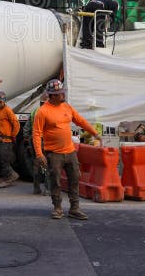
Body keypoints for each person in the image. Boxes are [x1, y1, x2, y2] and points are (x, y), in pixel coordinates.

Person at [33, 79, 101, 220]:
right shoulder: (43, 112)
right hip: (54, 154)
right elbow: (36, 134)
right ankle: (57, 208)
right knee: (56, 181)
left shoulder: (67, 107)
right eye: (59, 94)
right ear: (51, 96)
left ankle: (74, 208)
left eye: (62, 92)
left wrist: (94, 133)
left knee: (75, 179)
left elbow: (80, 121)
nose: (62, 95)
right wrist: (39, 154)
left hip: (70, 152)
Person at [22, 96, 50, 195]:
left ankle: (36, 188)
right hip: (45, 142)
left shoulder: (35, 111)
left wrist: (27, 139)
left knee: (36, 164)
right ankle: (48, 189)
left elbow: (26, 128)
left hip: (34, 141)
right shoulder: (48, 112)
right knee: (47, 164)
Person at [0, 90, 20, 188]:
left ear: (4, 101)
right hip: (1, 140)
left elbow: (16, 124)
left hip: (7, 141)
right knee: (1, 159)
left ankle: (12, 176)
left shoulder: (8, 110)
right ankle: (5, 177)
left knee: (4, 160)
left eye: (0, 101)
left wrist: (12, 136)